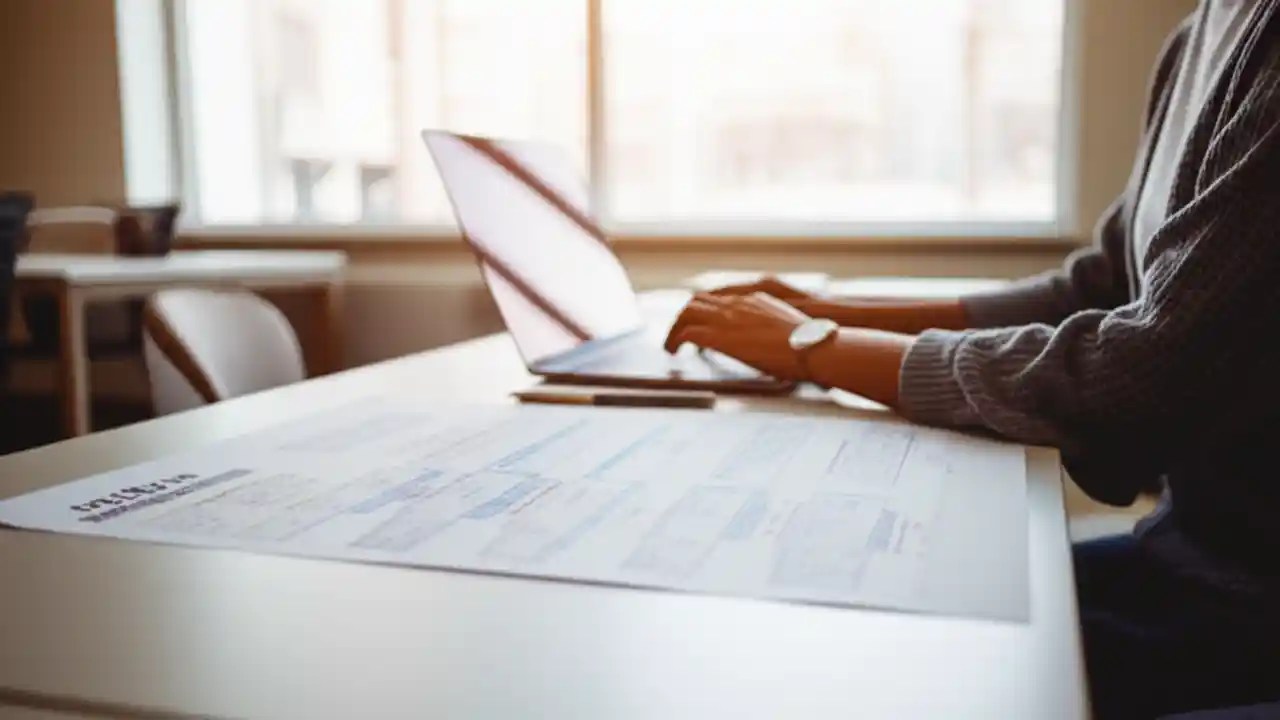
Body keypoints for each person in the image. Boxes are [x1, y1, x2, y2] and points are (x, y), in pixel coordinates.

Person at [664, 2, 1280, 717]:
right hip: (1187, 565)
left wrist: (817, 350)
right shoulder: (1205, 26)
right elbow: (1102, 286)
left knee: (890, 675)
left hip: (1246, 612)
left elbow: (1147, 368)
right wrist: (823, 317)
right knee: (862, 620)